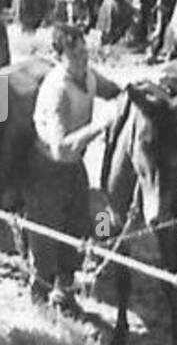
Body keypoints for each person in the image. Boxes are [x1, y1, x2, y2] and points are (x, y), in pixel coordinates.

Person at [26, 22, 122, 315]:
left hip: (74, 169)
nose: (82, 59)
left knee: (76, 230)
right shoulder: (57, 89)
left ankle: (65, 294)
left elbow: (114, 91)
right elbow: (60, 147)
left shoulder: (88, 76)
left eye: (84, 52)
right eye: (74, 55)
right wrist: (100, 125)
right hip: (47, 172)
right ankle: (39, 303)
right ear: (58, 56)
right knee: (46, 241)